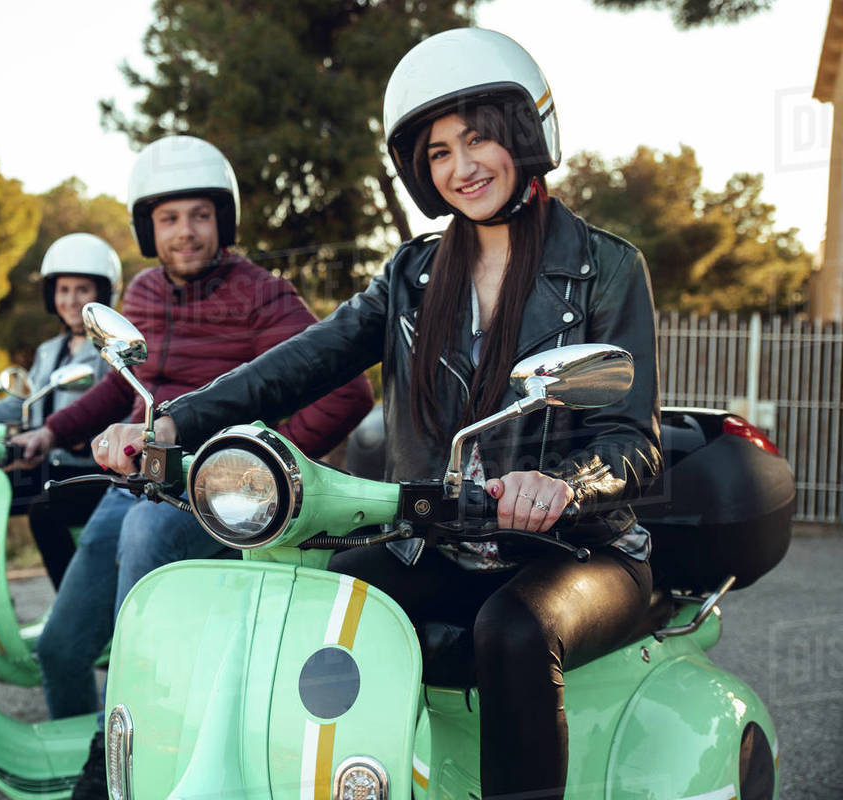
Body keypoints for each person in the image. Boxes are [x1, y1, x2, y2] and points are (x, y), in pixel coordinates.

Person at [101, 29, 661, 800]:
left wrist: (562, 484)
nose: (462, 167)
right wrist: (171, 424)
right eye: (439, 152)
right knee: (305, 611)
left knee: (515, 629)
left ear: (524, 132)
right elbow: (301, 363)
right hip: (441, 537)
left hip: (579, 548)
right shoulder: (414, 275)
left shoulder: (607, 266)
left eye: (478, 139)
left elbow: (631, 439)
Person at [12, 135, 374, 798]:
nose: (185, 232)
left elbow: (347, 392)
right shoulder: (145, 290)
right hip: (134, 485)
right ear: (147, 229)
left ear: (223, 221)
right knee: (60, 647)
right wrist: (50, 432)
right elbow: (120, 387)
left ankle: (112, 761)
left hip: (207, 493)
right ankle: (93, 748)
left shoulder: (262, 294)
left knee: (144, 546)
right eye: (170, 218)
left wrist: (257, 470)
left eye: (200, 215)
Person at [0, 232, 121, 589]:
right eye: (63, 290)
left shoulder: (115, 350)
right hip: (47, 465)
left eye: (82, 290)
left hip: (94, 470)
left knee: (44, 510)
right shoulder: (49, 350)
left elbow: (118, 407)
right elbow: (21, 405)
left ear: (103, 293)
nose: (71, 300)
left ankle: (76, 599)